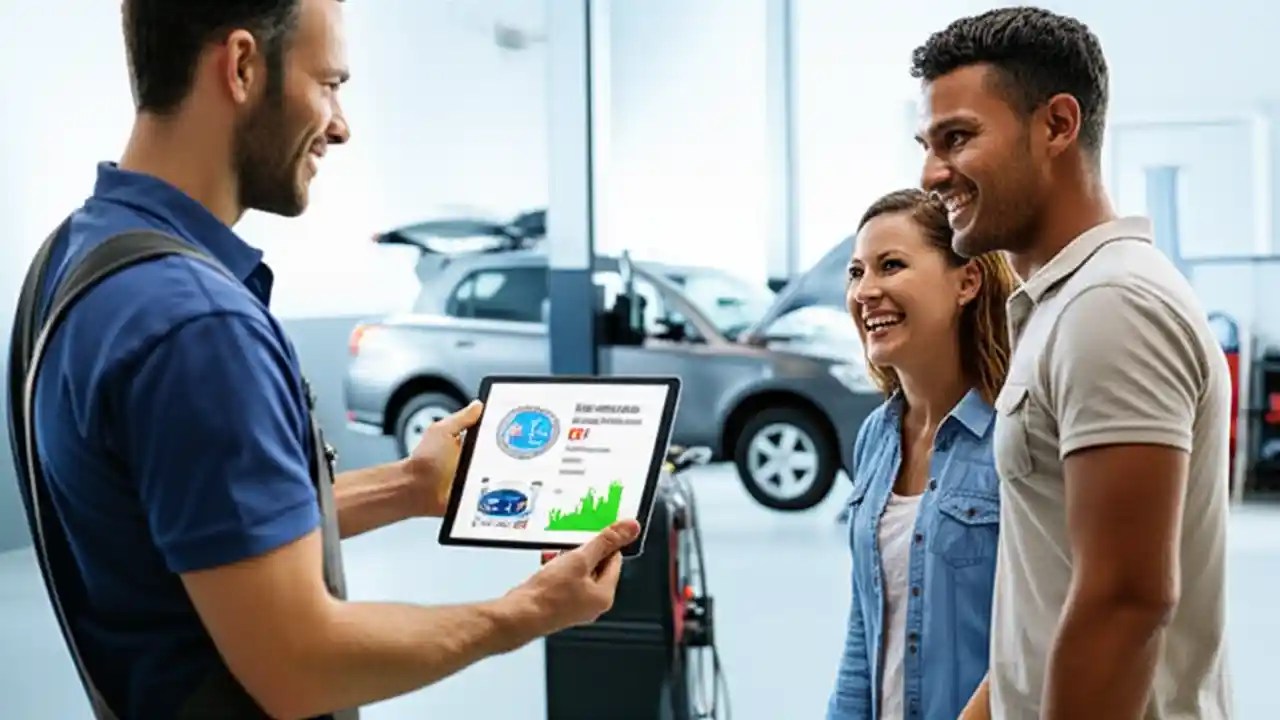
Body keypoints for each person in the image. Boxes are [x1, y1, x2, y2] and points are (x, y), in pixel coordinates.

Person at [8, 1, 639, 718]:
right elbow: (300, 663)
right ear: (242, 66)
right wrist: (522, 613)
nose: (340, 125)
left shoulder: (74, 261)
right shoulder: (198, 326)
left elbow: (210, 528)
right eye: (329, 83)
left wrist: (407, 486)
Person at [911, 7, 1233, 719]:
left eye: (957, 138)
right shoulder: (1064, 304)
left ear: (1057, 124)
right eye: (928, 144)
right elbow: (1047, 589)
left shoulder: (1112, 306)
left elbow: (1126, 600)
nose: (933, 173)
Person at [826, 188, 1018, 720]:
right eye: (856, 272)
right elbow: (866, 627)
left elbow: (1036, 639)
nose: (866, 291)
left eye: (891, 266)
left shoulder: (1017, 436)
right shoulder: (876, 437)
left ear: (967, 282)